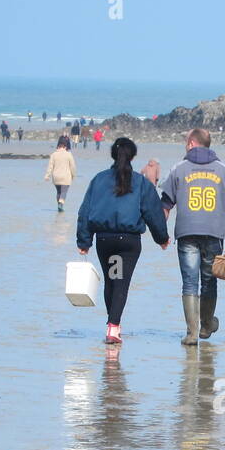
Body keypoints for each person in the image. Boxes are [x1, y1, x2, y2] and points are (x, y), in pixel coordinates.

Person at [76, 137, 169, 345]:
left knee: (111, 281)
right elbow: (153, 212)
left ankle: (113, 325)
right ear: (133, 156)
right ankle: (113, 326)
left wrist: (84, 242)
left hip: (105, 240)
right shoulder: (141, 182)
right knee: (121, 283)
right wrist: (161, 238)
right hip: (128, 242)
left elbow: (85, 212)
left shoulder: (99, 180)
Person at [160, 128, 225, 346]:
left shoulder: (178, 169)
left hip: (186, 233)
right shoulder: (224, 171)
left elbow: (166, 205)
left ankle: (191, 334)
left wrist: (161, 233)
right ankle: (207, 324)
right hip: (213, 234)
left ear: (191, 143)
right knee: (209, 281)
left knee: (189, 283)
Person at [44, 135, 77, 212]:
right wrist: (74, 175)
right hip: (66, 177)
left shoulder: (53, 155)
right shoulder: (69, 154)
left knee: (59, 192)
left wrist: (47, 175)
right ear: (65, 147)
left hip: (56, 177)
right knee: (64, 192)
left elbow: (50, 167)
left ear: (58, 146)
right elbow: (72, 167)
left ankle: (59, 205)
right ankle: (61, 204)